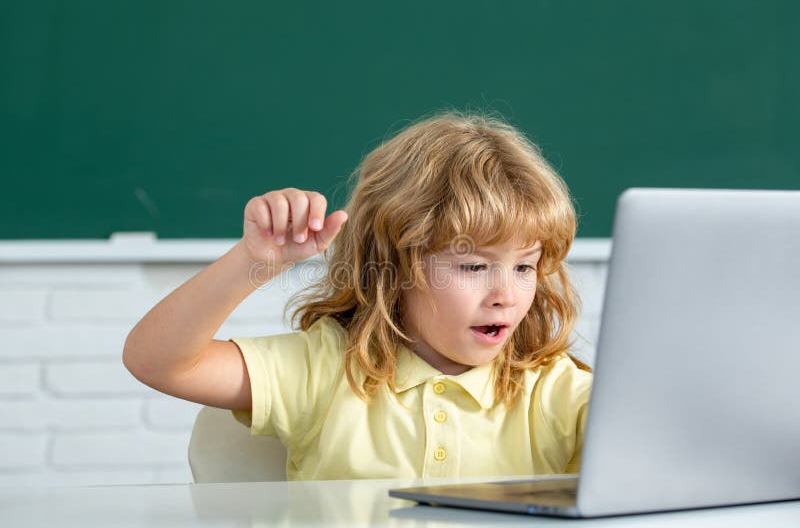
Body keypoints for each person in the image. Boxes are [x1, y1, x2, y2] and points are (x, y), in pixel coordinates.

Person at [123, 111, 592, 481]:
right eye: (473, 265)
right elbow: (157, 361)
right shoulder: (325, 369)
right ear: (394, 267)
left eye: (525, 266)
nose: (506, 294)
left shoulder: (552, 390)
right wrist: (253, 260)